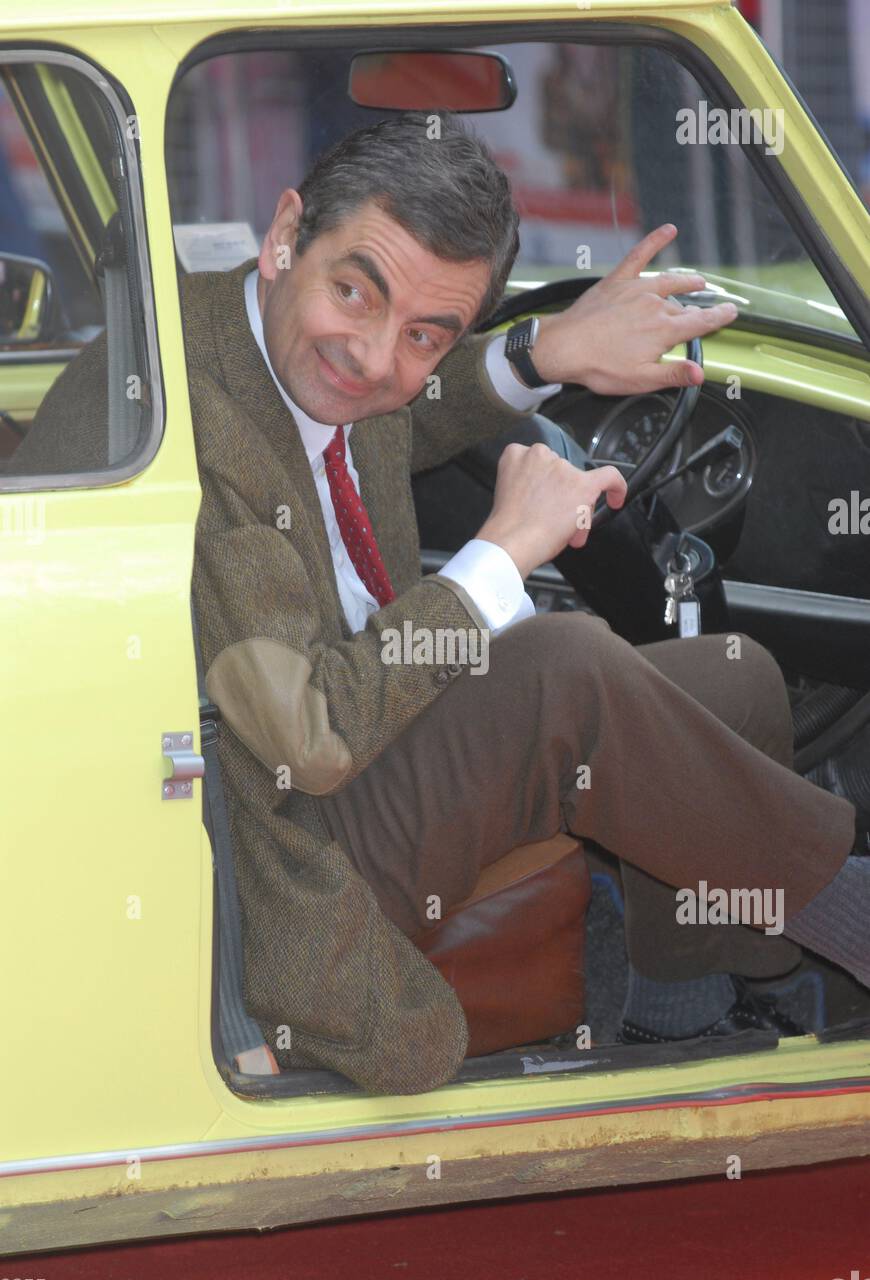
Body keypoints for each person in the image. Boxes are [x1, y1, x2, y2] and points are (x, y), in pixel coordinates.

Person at [16, 112, 867, 1093]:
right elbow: (312, 739)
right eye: (356, 293)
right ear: (286, 234)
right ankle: (849, 922)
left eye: (426, 332)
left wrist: (546, 351)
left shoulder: (281, 336)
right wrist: (498, 553)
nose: (379, 360)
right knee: (567, 666)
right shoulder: (192, 416)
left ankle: (688, 1013)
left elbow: (411, 412)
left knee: (735, 674)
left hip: (347, 729)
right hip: (266, 823)